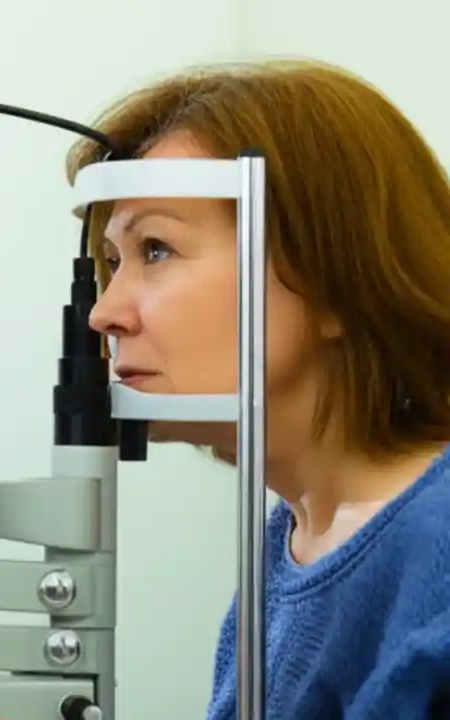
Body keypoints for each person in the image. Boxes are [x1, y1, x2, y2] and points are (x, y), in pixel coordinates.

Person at [65, 58, 450, 718]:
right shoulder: (291, 542)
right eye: (113, 262)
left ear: (332, 276)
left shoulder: (433, 551)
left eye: (156, 249)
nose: (106, 312)